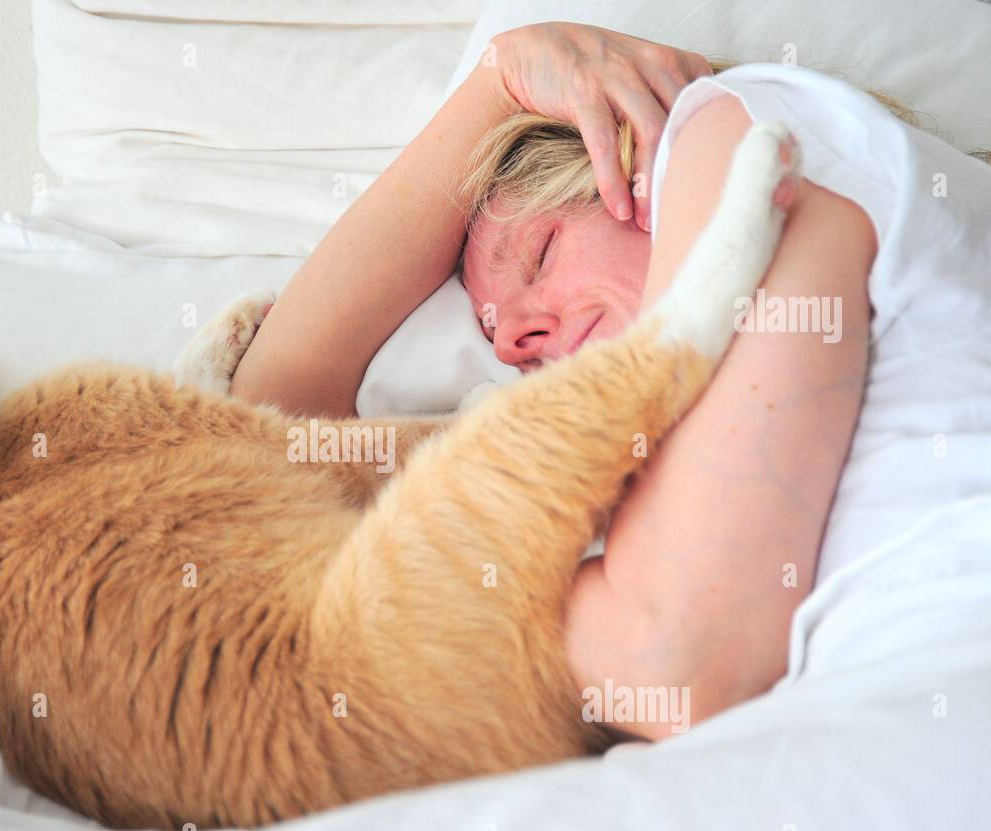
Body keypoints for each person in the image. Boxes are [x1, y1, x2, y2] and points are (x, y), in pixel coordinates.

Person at [231, 23, 991, 739]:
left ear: (627, 153)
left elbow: (672, 661)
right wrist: (490, 84)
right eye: (502, 339)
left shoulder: (739, 132)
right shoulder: (650, 465)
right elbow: (269, 448)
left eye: (540, 256)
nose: (515, 342)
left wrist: (505, 79)